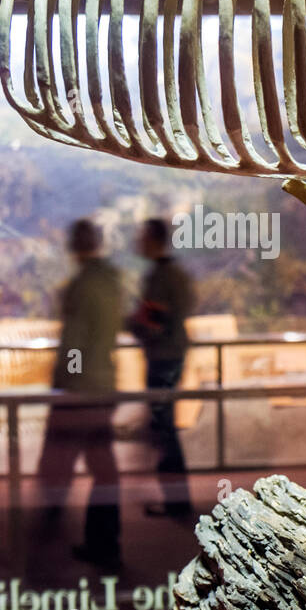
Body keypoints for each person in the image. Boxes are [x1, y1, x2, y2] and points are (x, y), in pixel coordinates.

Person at [37, 219, 125, 570]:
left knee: (61, 458)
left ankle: (47, 538)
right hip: (103, 384)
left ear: (74, 246)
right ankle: (106, 543)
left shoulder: (82, 286)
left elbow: (74, 342)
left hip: (81, 390)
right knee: (103, 465)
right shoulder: (112, 282)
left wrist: (67, 384)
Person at [127, 218, 196, 519]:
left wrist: (124, 324)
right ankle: (176, 501)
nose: (138, 242)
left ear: (153, 240)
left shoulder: (159, 278)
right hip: (172, 355)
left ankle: (178, 502)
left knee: (165, 428)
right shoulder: (175, 274)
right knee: (164, 426)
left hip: (163, 357)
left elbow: (152, 322)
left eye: (142, 237)